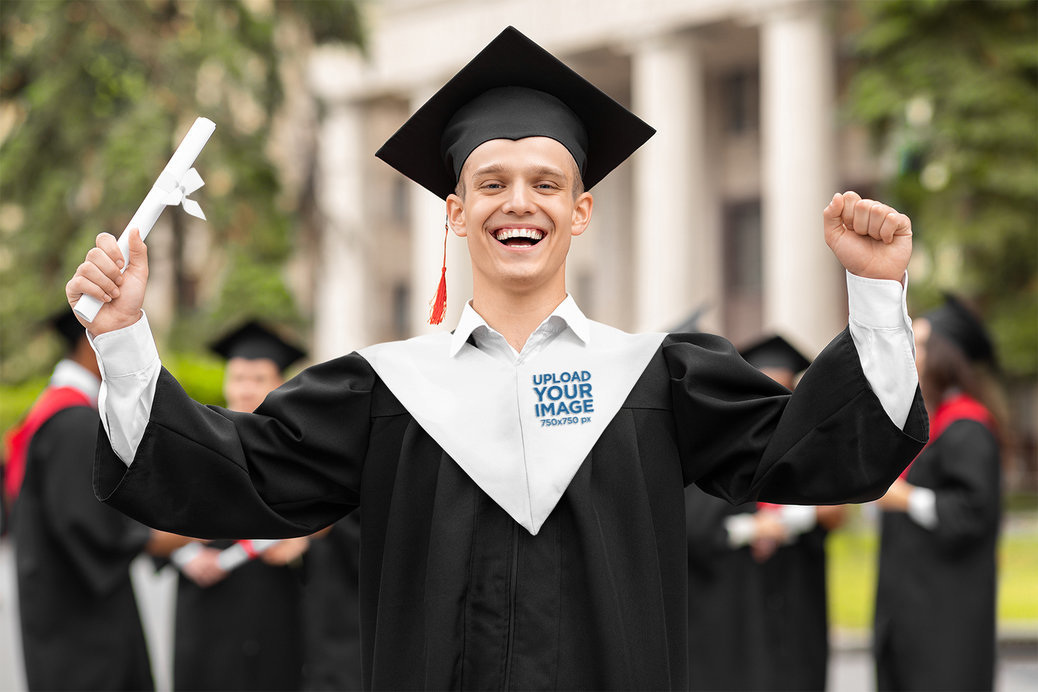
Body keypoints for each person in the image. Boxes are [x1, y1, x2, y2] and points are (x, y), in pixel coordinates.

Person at [66, 26, 927, 689]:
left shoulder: (657, 380)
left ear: (582, 211)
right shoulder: (385, 393)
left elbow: (817, 449)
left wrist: (877, 295)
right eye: (492, 182)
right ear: (455, 210)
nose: (521, 202)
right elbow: (231, 470)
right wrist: (125, 340)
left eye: (547, 183)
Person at [5, 310, 188, 691]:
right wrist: (172, 534)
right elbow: (89, 525)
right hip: (83, 626)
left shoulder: (53, 409)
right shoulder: (72, 421)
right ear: (94, 347)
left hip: (61, 611)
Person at [153, 320, 311, 691]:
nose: (245, 388)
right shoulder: (196, 439)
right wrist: (186, 557)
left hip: (272, 599)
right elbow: (160, 507)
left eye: (258, 378)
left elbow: (333, 525)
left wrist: (303, 545)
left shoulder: (298, 451)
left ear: (279, 384)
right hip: (205, 600)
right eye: (238, 377)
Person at [685, 335, 845, 691]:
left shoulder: (807, 447)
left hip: (794, 603)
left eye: (783, 391)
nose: (773, 402)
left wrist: (793, 519)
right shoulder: (714, 449)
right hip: (731, 613)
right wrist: (749, 530)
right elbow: (692, 531)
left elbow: (835, 513)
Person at [873, 295, 1004, 692]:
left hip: (948, 618)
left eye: (924, 344)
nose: (915, 353)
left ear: (948, 356)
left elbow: (974, 513)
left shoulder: (968, 428)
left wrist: (905, 498)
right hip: (911, 610)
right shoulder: (933, 425)